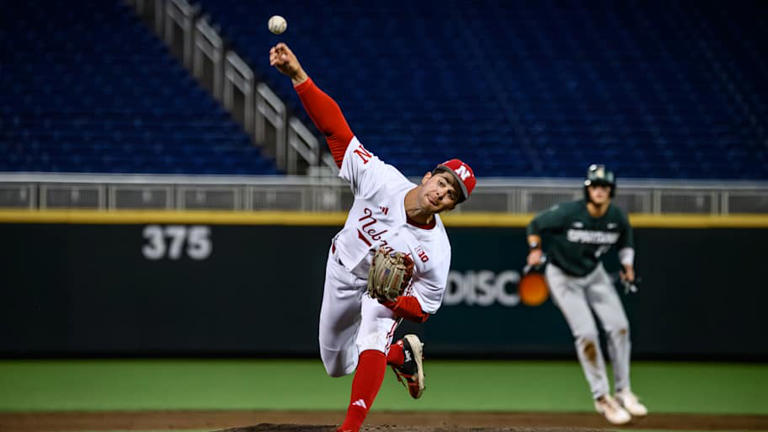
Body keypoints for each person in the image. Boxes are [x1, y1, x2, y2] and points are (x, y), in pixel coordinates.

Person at [269, 42, 476, 432]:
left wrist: (392, 300)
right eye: (442, 182)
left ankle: (350, 427)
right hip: (341, 269)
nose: (442, 193)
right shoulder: (381, 180)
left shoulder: (436, 249)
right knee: (336, 365)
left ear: (451, 206)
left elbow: (425, 307)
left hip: (380, 295)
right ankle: (401, 356)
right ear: (428, 177)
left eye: (452, 194)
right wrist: (298, 76)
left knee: (372, 336)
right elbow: (336, 130)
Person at [525, 164, 647, 425]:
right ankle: (602, 397)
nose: (599, 190)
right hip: (562, 276)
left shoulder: (616, 216)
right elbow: (535, 224)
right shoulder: (569, 212)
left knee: (620, 327)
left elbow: (625, 239)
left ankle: (623, 391)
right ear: (587, 190)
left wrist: (627, 265)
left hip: (594, 274)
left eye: (604, 186)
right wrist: (535, 248)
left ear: (611, 190)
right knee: (587, 334)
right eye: (594, 186)